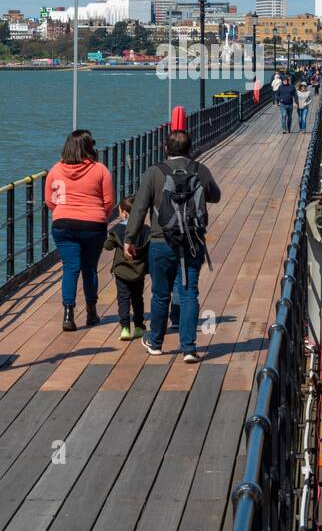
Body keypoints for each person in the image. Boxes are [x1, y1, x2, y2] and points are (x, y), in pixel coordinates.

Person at [124, 128, 221, 361]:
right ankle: (189, 348)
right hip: (192, 241)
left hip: (160, 241)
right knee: (189, 293)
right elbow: (215, 196)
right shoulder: (200, 170)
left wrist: (130, 238)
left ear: (165, 149)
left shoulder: (154, 172)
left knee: (160, 294)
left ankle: (156, 342)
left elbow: (139, 208)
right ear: (190, 149)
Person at [45, 128, 114, 331]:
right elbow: (109, 201)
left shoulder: (55, 170)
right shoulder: (100, 170)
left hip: (63, 224)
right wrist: (99, 215)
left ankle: (68, 313)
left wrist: (62, 211)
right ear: (88, 147)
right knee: (89, 268)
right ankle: (91, 312)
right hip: (93, 225)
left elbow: (50, 200)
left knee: (70, 267)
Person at [105, 195, 149, 340]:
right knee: (138, 298)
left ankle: (124, 328)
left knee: (123, 298)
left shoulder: (117, 229)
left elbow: (108, 246)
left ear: (124, 213)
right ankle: (138, 326)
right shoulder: (145, 229)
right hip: (139, 270)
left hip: (122, 270)